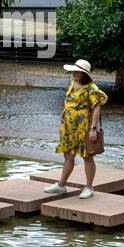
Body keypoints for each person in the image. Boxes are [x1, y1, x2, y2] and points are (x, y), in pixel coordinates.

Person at [43, 58, 107, 199]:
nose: (73, 73)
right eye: (73, 71)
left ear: (84, 74)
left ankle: (89, 188)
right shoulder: (73, 84)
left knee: (87, 156)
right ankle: (61, 185)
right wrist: (62, 125)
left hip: (83, 126)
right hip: (69, 125)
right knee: (68, 156)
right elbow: (68, 104)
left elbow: (97, 108)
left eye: (76, 72)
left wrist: (93, 129)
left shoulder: (91, 88)